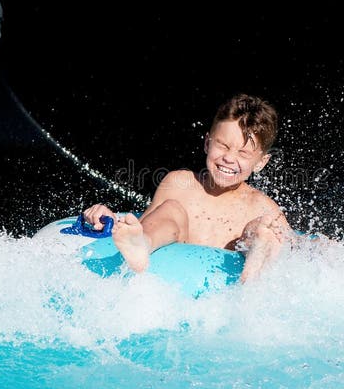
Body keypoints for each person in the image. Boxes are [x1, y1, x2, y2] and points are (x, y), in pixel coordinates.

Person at [82, 93, 293, 282]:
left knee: (260, 228)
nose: (229, 158)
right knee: (172, 208)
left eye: (243, 153)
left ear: (261, 162)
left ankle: (256, 266)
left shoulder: (262, 206)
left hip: (224, 296)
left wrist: (322, 246)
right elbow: (144, 222)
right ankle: (143, 245)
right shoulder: (179, 183)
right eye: (223, 145)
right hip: (173, 282)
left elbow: (298, 251)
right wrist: (109, 221)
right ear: (207, 143)